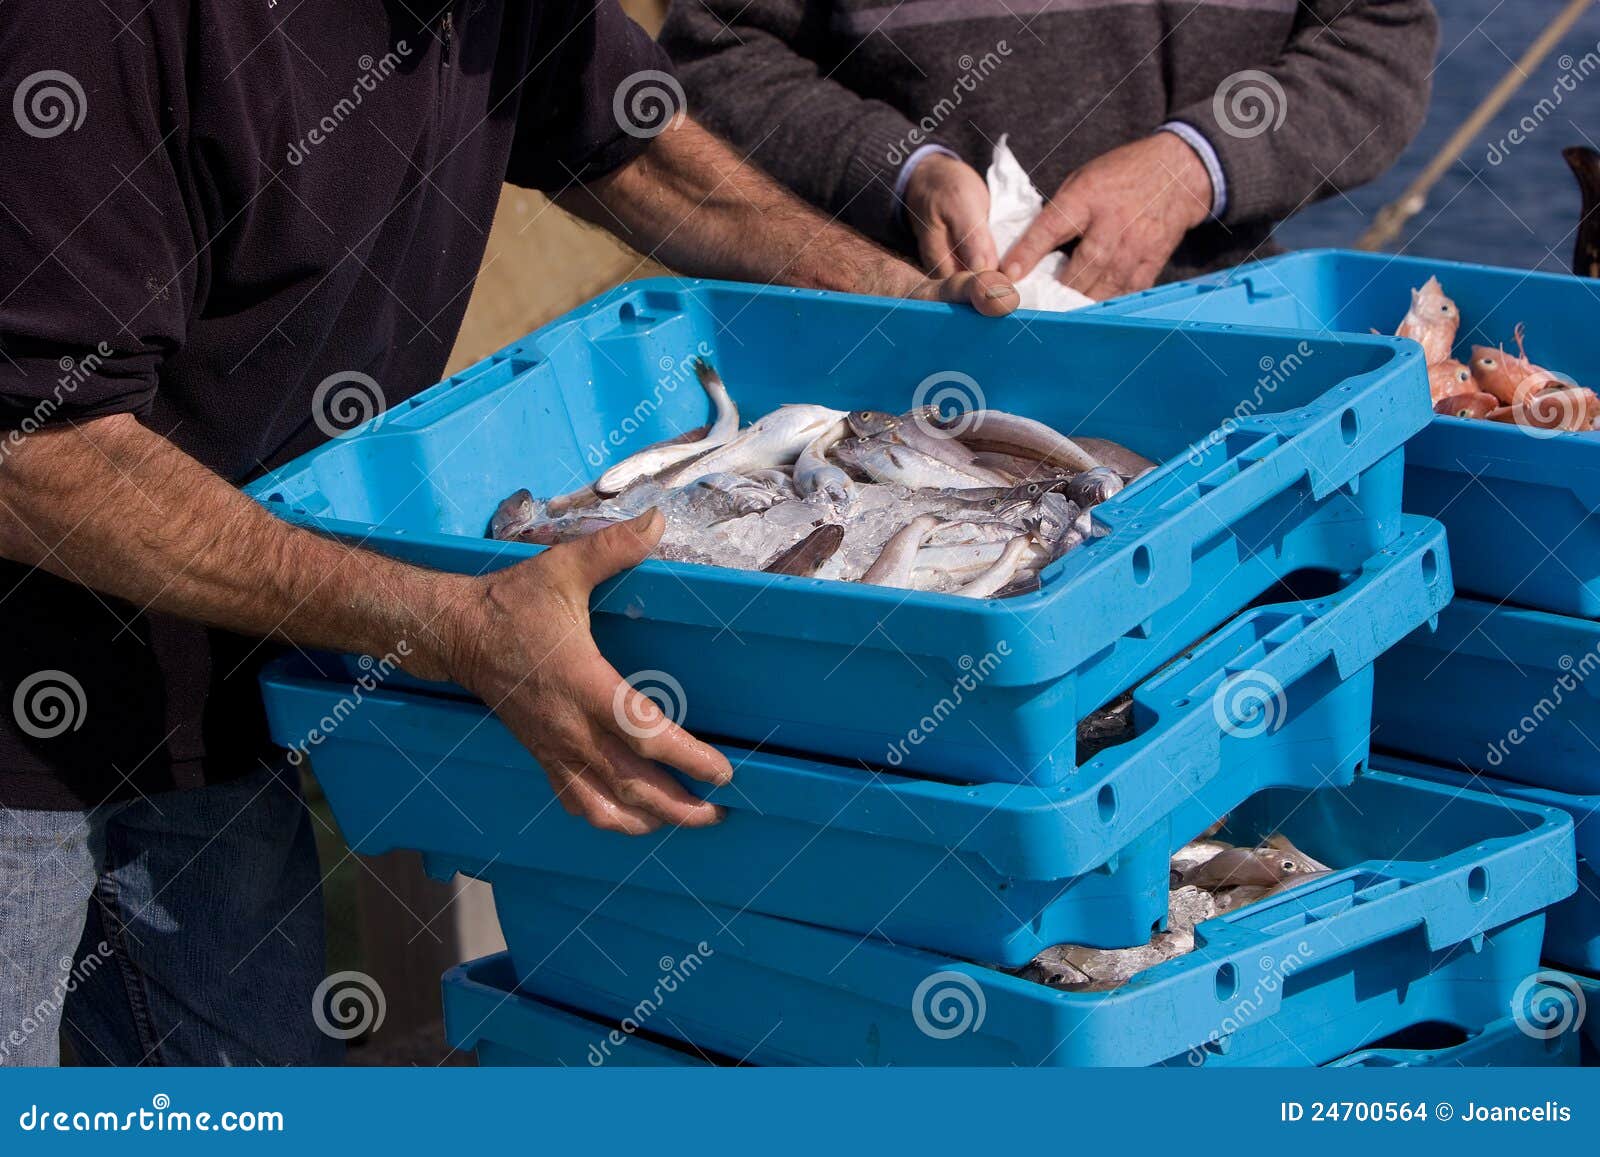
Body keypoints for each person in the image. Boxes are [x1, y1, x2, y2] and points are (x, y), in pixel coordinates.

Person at [0, 1, 1017, 1067]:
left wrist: (896, 299)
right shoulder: (91, 31)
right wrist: (444, 620)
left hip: (216, 668)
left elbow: (632, 146)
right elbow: (31, 450)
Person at [662, 0, 1439, 299]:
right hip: (909, 350)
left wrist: (1196, 164)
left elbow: (1378, 36)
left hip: (1229, 346)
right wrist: (895, 169)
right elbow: (713, 54)